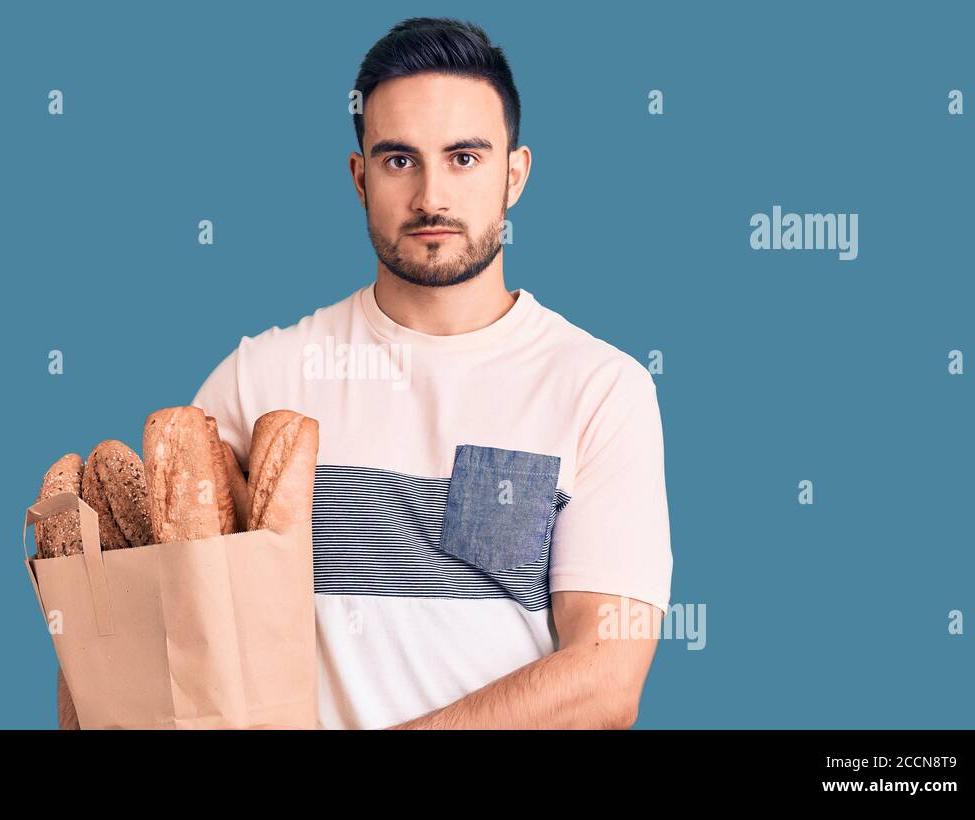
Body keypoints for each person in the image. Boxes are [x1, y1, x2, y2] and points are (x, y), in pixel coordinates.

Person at [186, 17, 673, 729]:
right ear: (359, 178)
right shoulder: (261, 380)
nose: (431, 198)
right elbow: (171, 613)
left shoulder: (599, 388)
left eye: (464, 159)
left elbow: (605, 678)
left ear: (516, 173)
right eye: (398, 160)